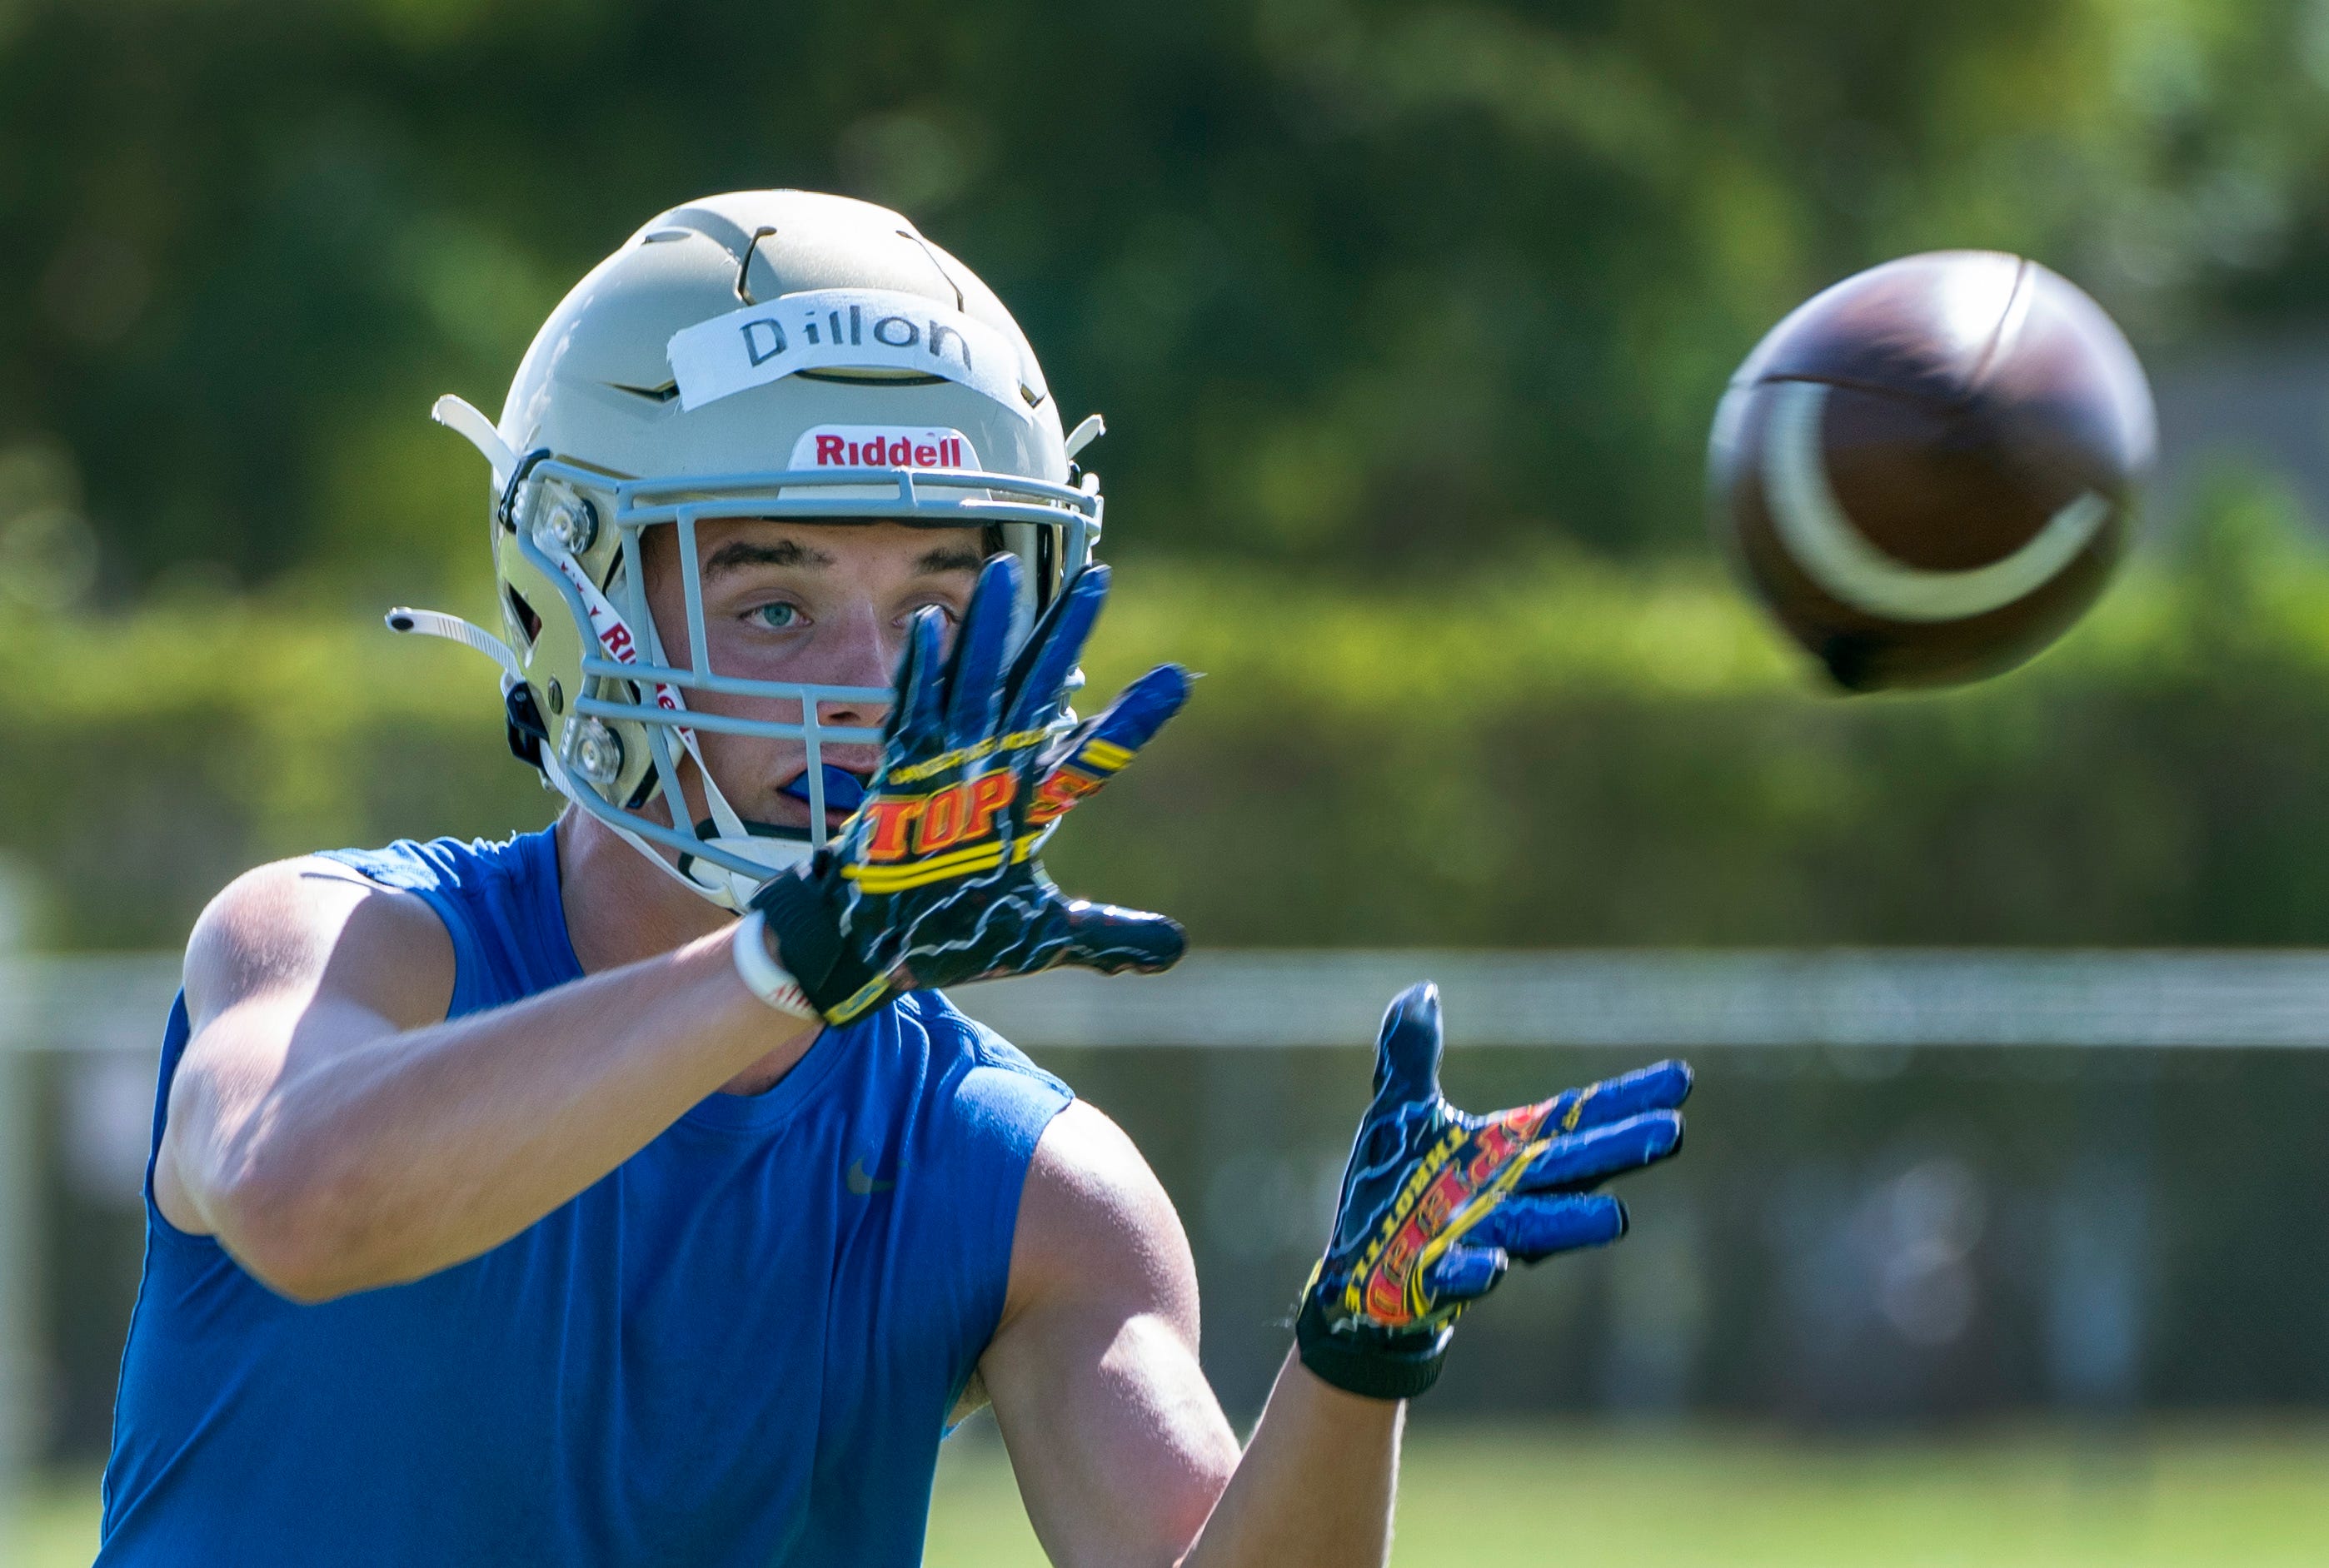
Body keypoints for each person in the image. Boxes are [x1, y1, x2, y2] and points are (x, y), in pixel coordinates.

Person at [97, 190, 1692, 1566]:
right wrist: (782, 966)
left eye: (941, 601)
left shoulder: (1023, 1185)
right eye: (777, 604)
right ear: (576, 604)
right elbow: (304, 1203)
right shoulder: (342, 940)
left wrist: (1356, 1360)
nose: (871, 688)